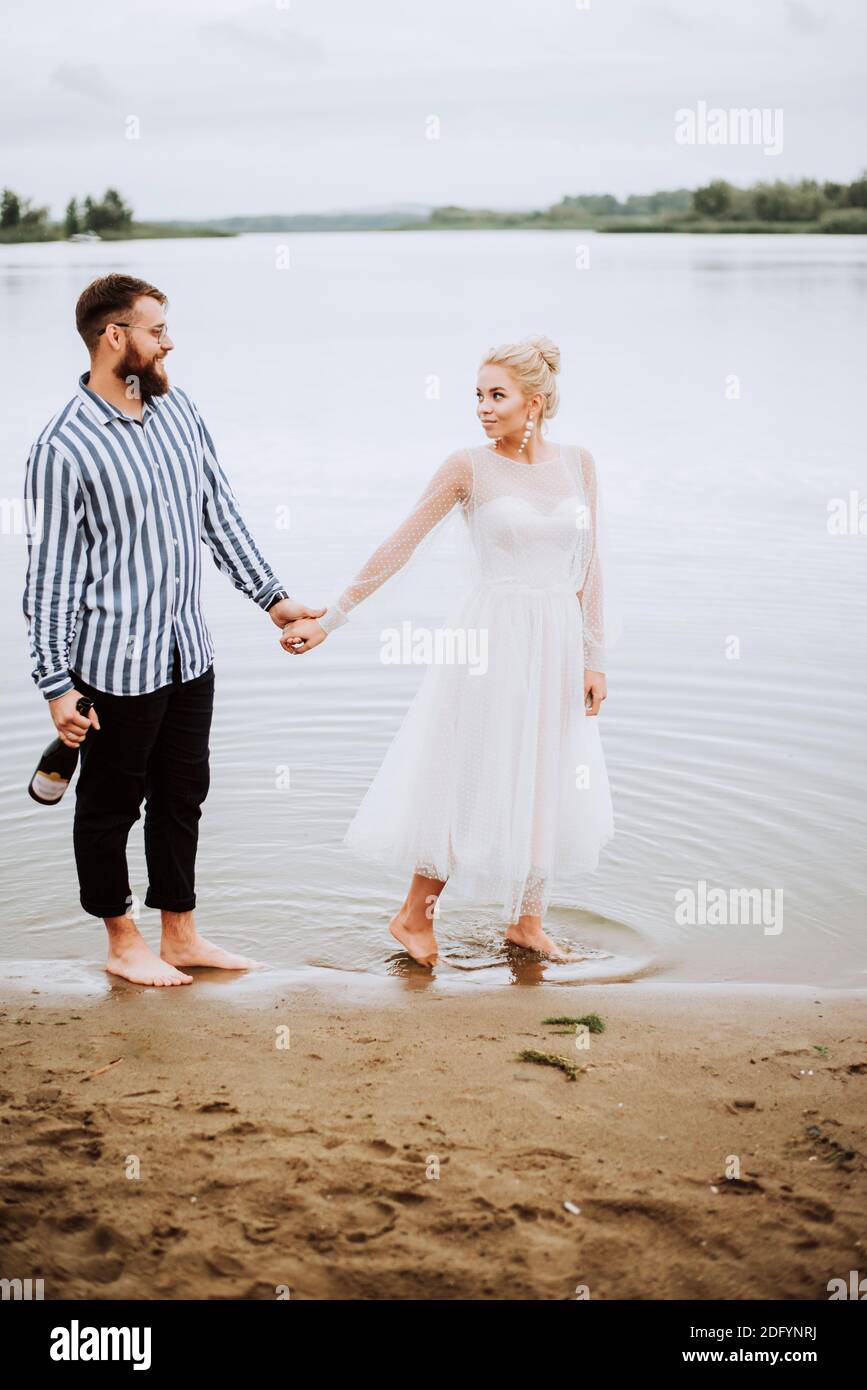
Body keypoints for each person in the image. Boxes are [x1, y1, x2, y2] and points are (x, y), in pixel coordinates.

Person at [281, 335, 620, 967]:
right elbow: (400, 544)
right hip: (492, 638)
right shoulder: (468, 466)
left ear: (536, 402)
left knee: (547, 770)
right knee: (473, 770)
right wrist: (333, 617)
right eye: (478, 395)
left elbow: (590, 563)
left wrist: (595, 655)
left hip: (558, 639)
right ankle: (414, 915)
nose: (483, 408)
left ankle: (527, 922)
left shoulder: (581, 464)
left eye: (498, 395)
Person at [22, 274, 322, 987]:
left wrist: (273, 598)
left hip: (188, 652)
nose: (169, 342)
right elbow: (51, 579)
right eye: (157, 330)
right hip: (113, 665)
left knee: (183, 793)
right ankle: (123, 942)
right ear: (114, 337)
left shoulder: (178, 409)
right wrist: (56, 687)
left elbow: (218, 513)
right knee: (109, 806)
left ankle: (180, 934)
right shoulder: (63, 447)